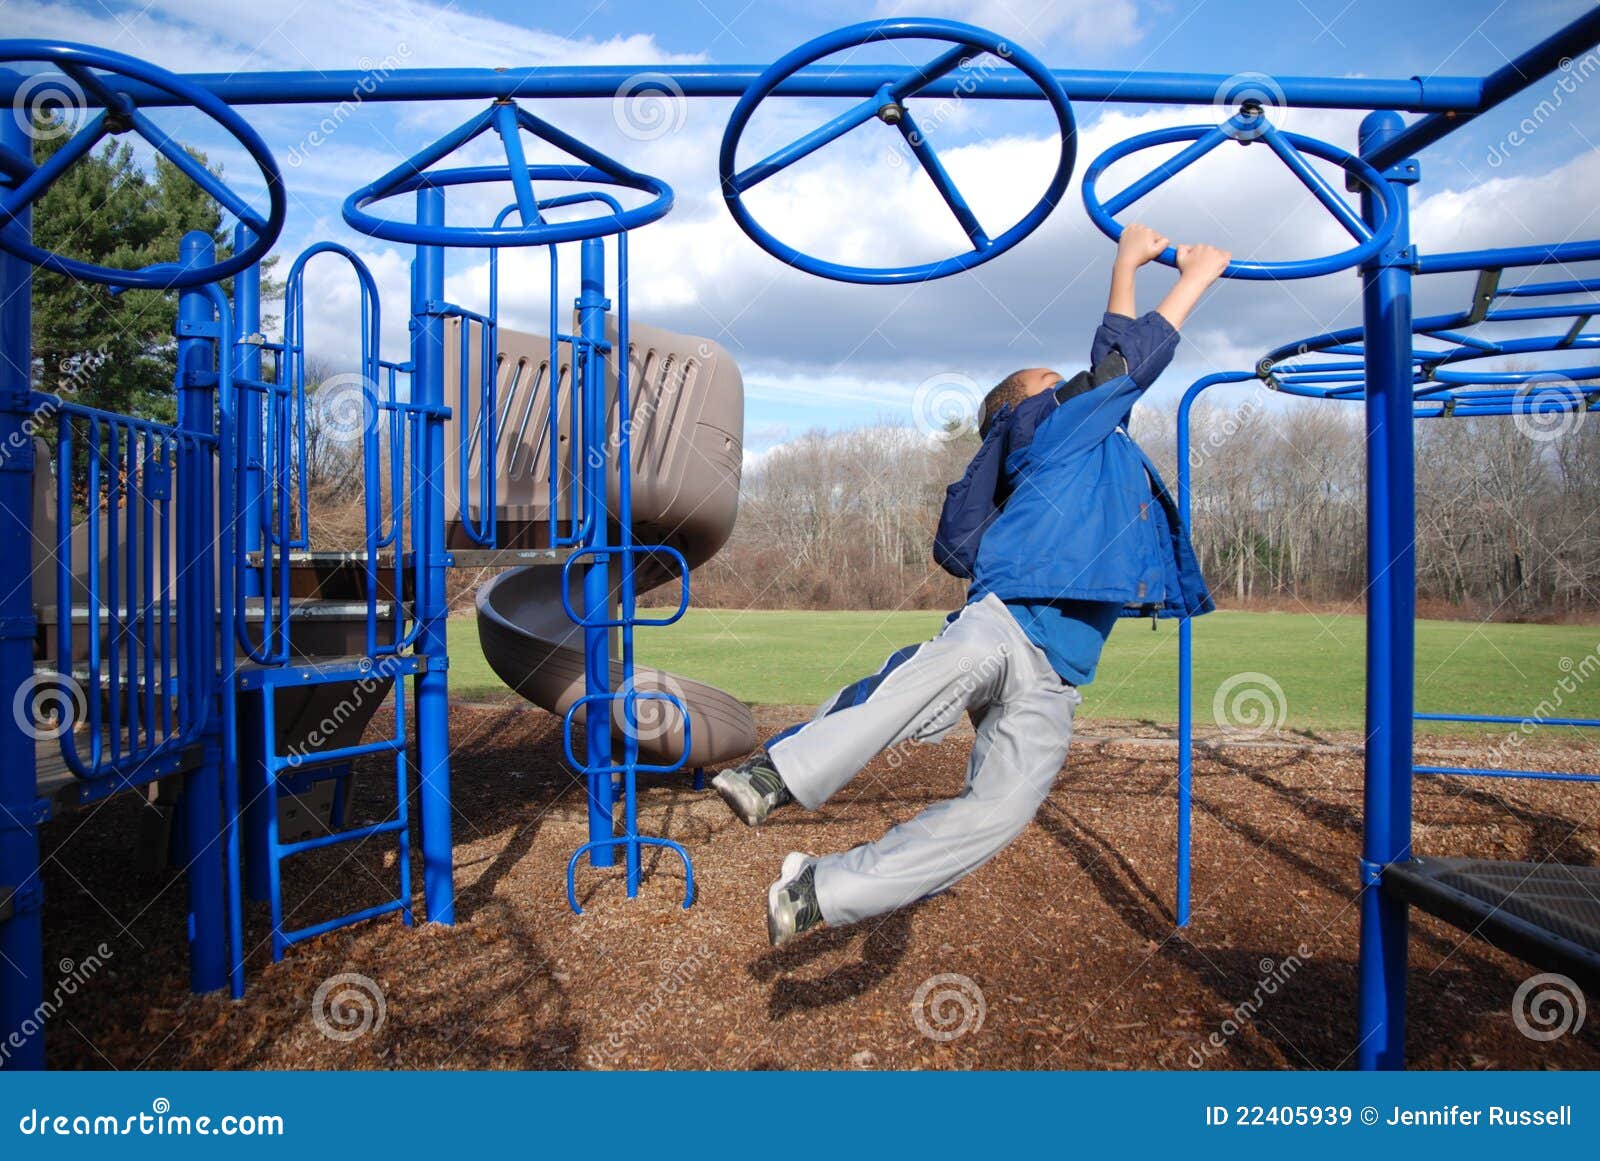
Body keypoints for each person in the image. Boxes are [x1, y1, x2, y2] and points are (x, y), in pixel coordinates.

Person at [713, 225, 1226, 946]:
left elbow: (1116, 354)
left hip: (1057, 677)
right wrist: (1194, 276)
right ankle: (779, 773)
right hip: (1006, 626)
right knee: (915, 693)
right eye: (1054, 379)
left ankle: (820, 889)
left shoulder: (1090, 434)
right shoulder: (1050, 428)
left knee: (999, 812)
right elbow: (1125, 360)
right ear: (1024, 408)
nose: (1075, 381)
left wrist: (1128, 262)